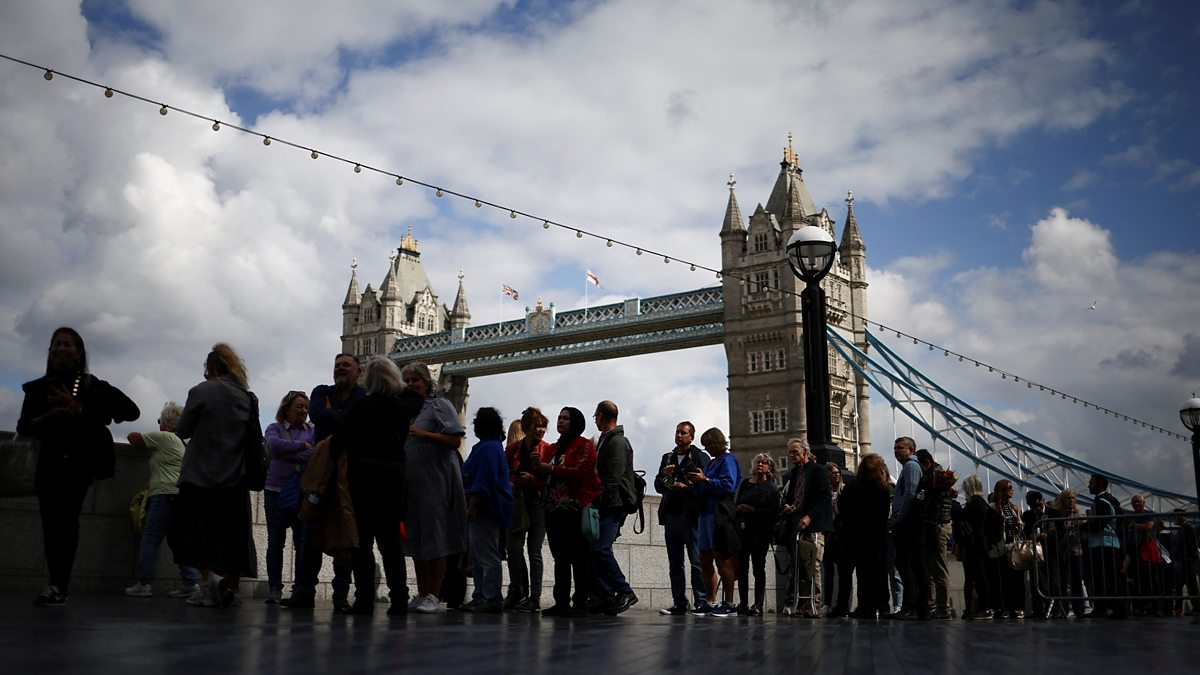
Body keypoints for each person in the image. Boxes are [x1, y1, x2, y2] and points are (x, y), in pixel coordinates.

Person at [19, 327, 141, 606]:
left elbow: (131, 411)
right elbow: (24, 427)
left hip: (78, 463)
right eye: (56, 344)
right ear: (50, 351)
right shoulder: (37, 388)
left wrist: (80, 409)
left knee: (66, 520)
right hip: (48, 463)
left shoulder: (91, 386)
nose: (61, 348)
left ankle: (58, 585)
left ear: (79, 352)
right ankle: (57, 583)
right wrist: (50, 416)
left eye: (67, 344)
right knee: (51, 523)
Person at [330, 357, 421, 615]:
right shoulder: (402, 406)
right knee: (391, 542)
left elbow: (338, 442)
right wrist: (395, 384)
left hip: (363, 478)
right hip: (393, 477)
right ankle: (399, 599)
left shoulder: (360, 406)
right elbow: (414, 396)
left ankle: (364, 599)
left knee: (363, 543)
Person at [173, 343, 260, 608]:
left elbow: (183, 430)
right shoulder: (247, 397)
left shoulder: (202, 391)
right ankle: (230, 589)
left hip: (199, 476)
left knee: (191, 533)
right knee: (232, 537)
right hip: (234, 477)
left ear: (210, 367)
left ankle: (211, 582)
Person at [286, 354, 363, 610]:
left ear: (359, 371)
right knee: (309, 535)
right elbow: (318, 416)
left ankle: (340, 596)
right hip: (320, 472)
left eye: (346, 365)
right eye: (337, 365)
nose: (340, 368)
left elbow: (356, 424)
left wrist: (333, 414)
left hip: (349, 476)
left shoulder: (364, 396)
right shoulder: (321, 391)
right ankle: (304, 592)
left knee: (345, 537)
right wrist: (344, 417)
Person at [402, 362, 468, 614]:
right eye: (406, 380)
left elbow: (455, 439)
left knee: (436, 537)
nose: (410, 384)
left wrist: (422, 434)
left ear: (426, 382)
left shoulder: (440, 405)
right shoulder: (406, 410)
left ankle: (434, 594)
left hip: (436, 481)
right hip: (413, 483)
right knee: (417, 539)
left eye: (415, 380)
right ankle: (421, 593)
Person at [124, 402, 199, 598]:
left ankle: (144, 583)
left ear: (166, 423)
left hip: (164, 494)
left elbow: (133, 437)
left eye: (159, 421)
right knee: (178, 541)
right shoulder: (186, 441)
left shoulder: (163, 437)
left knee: (150, 538)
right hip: (182, 495)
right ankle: (191, 583)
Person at [537, 407, 601, 617]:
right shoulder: (553, 448)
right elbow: (543, 475)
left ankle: (581, 602)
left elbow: (580, 472)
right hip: (553, 509)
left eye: (566, 418)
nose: (561, 421)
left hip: (575, 508)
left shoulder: (584, 445)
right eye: (559, 417)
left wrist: (550, 469)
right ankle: (561, 602)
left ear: (576, 422)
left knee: (579, 557)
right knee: (560, 557)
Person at [262, 391, 314, 604]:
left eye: (306, 407)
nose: (304, 411)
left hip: (301, 492)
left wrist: (285, 454)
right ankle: (274, 588)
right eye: (299, 406)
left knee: (302, 542)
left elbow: (314, 454)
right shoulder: (273, 428)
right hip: (274, 491)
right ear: (287, 409)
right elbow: (273, 446)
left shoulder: (312, 430)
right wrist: (302, 447)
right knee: (275, 542)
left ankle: (299, 589)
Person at [654, 421, 710, 615]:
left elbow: (705, 485)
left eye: (683, 433)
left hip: (691, 516)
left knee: (696, 562)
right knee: (675, 563)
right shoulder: (667, 457)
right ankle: (680, 602)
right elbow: (658, 486)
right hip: (672, 515)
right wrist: (666, 477)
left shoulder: (699, 457)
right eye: (677, 432)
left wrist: (687, 488)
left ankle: (701, 601)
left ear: (691, 437)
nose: (679, 436)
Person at [461, 407, 514, 613]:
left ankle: (491, 597)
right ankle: (481, 594)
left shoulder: (488, 448)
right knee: (478, 553)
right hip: (485, 505)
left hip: (486, 507)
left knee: (486, 553)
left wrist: (474, 504)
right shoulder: (490, 446)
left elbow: (484, 478)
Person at [686, 427, 741, 618]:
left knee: (722, 559)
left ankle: (729, 603)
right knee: (705, 558)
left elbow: (728, 485)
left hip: (719, 514)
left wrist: (706, 480)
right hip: (705, 513)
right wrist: (696, 482)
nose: (707, 448)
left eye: (709, 444)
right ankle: (711, 600)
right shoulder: (712, 462)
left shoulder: (728, 460)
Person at [590, 400, 639, 615]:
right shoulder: (608, 439)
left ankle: (624, 590)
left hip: (613, 504)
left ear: (601, 416)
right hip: (608, 502)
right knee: (596, 549)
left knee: (601, 549)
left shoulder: (617, 441)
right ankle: (607, 595)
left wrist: (600, 501)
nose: (595, 420)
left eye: (596, 416)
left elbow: (613, 477)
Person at [504, 407, 554, 612]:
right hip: (517, 501)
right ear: (526, 428)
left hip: (538, 503)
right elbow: (504, 472)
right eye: (537, 426)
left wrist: (533, 479)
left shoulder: (547, 450)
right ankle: (517, 591)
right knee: (513, 549)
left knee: (534, 550)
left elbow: (550, 480)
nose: (541, 430)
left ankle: (535, 597)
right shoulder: (512, 449)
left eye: (543, 426)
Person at [778, 437, 833, 618]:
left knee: (813, 565)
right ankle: (801, 604)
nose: (791, 455)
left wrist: (810, 516)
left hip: (814, 524)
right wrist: (789, 506)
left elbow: (825, 498)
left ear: (805, 452)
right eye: (790, 452)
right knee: (799, 566)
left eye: (795, 452)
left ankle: (814, 604)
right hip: (797, 522)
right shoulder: (794, 474)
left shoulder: (817, 470)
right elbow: (793, 497)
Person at [835, 453, 892, 619]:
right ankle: (875, 606)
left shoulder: (852, 485)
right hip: (875, 536)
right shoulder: (882, 488)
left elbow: (842, 508)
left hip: (853, 535)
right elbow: (883, 514)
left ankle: (859, 606)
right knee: (874, 572)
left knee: (856, 573)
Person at [734, 453, 779, 616]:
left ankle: (758, 603)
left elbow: (773, 511)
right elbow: (736, 503)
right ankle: (743, 603)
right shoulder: (745, 484)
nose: (760, 464)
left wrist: (754, 510)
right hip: (743, 531)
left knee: (758, 568)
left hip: (761, 532)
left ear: (769, 467)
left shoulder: (771, 488)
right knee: (742, 568)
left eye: (764, 462)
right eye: (758, 462)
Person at [890, 437, 929, 620]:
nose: (896, 451)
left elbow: (910, 494)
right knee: (912, 565)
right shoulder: (911, 466)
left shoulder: (911, 466)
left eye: (900, 448)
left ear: (911, 450)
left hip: (908, 524)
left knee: (906, 565)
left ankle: (910, 606)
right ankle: (916, 607)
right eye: (895, 448)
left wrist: (899, 518)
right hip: (910, 522)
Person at [915, 449, 953, 620]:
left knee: (938, 568)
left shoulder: (935, 479)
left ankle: (943, 607)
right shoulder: (938, 477)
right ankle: (933, 605)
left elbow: (932, 503)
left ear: (927, 463)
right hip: (938, 525)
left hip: (937, 526)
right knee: (932, 568)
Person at [1084, 473, 1127, 619]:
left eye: (1091, 483)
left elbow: (1099, 524)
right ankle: (1116, 608)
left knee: (1103, 577)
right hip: (1110, 543)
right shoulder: (1110, 501)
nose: (1089, 486)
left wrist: (1082, 527)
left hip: (1102, 543)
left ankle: (1105, 608)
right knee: (1110, 576)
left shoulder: (1102, 501)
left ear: (1100, 485)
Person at [960, 474, 999, 620]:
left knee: (978, 577)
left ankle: (984, 608)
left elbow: (960, 515)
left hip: (975, 545)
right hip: (981, 544)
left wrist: (953, 503)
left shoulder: (975, 503)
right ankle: (980, 608)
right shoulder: (982, 503)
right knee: (979, 577)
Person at [986, 479, 1024, 619]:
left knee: (1016, 579)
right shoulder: (992, 508)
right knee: (1001, 580)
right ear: (1002, 490)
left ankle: (1017, 607)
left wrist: (1018, 524)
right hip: (999, 548)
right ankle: (1002, 607)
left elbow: (1020, 529)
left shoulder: (1014, 508)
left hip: (1012, 548)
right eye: (1009, 488)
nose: (1012, 490)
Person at [1045, 488, 1085, 618]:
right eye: (1069, 498)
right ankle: (1064, 609)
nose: (1071, 500)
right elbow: (1051, 529)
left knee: (1076, 581)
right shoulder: (1057, 515)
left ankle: (1079, 609)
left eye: (1073, 498)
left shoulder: (1078, 515)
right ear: (1063, 500)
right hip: (1061, 551)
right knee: (1062, 582)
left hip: (1075, 550)